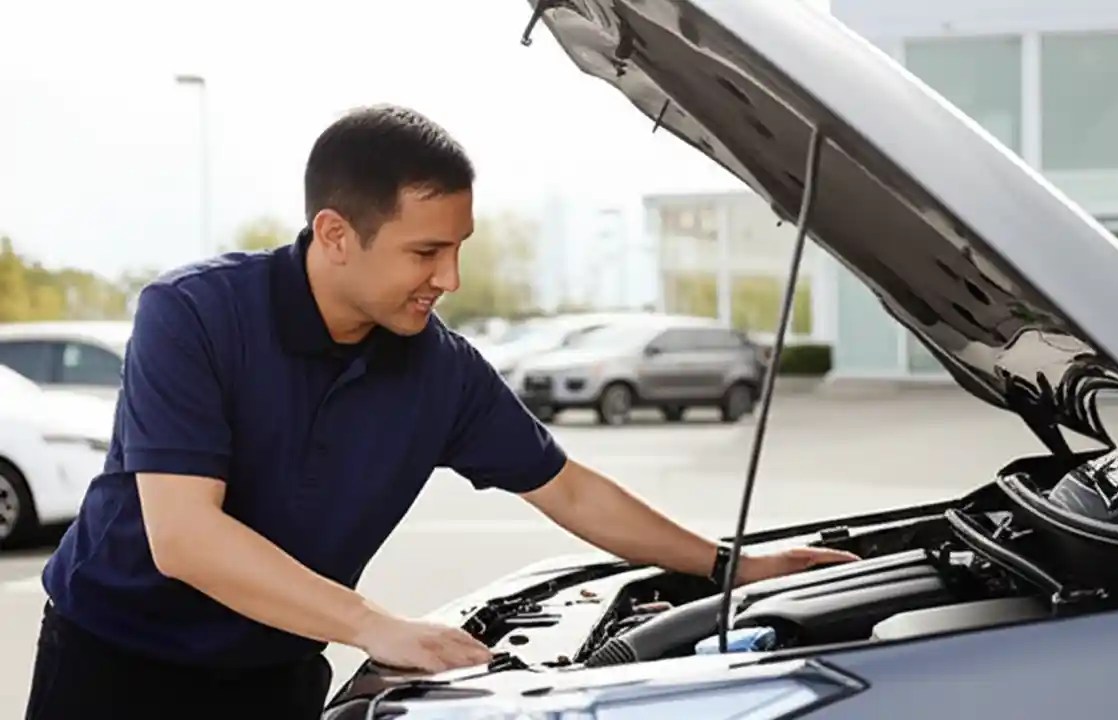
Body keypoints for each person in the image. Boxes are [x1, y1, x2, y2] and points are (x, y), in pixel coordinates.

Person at [24, 105, 857, 719]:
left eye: (459, 248)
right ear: (335, 233)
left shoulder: (439, 368)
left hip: (273, 673)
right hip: (115, 668)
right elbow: (186, 539)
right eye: (426, 251)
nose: (449, 278)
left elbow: (567, 490)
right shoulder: (193, 316)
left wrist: (729, 565)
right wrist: (371, 624)